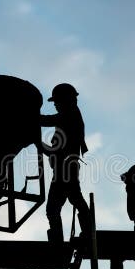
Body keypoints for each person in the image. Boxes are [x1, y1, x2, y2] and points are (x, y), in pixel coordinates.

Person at [40, 83, 91, 243]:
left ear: (66, 100)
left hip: (65, 170)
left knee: (60, 205)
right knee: (66, 203)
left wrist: (29, 119)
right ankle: (86, 233)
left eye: (57, 101)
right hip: (64, 169)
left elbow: (46, 121)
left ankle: (85, 234)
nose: (55, 104)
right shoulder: (69, 117)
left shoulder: (69, 116)